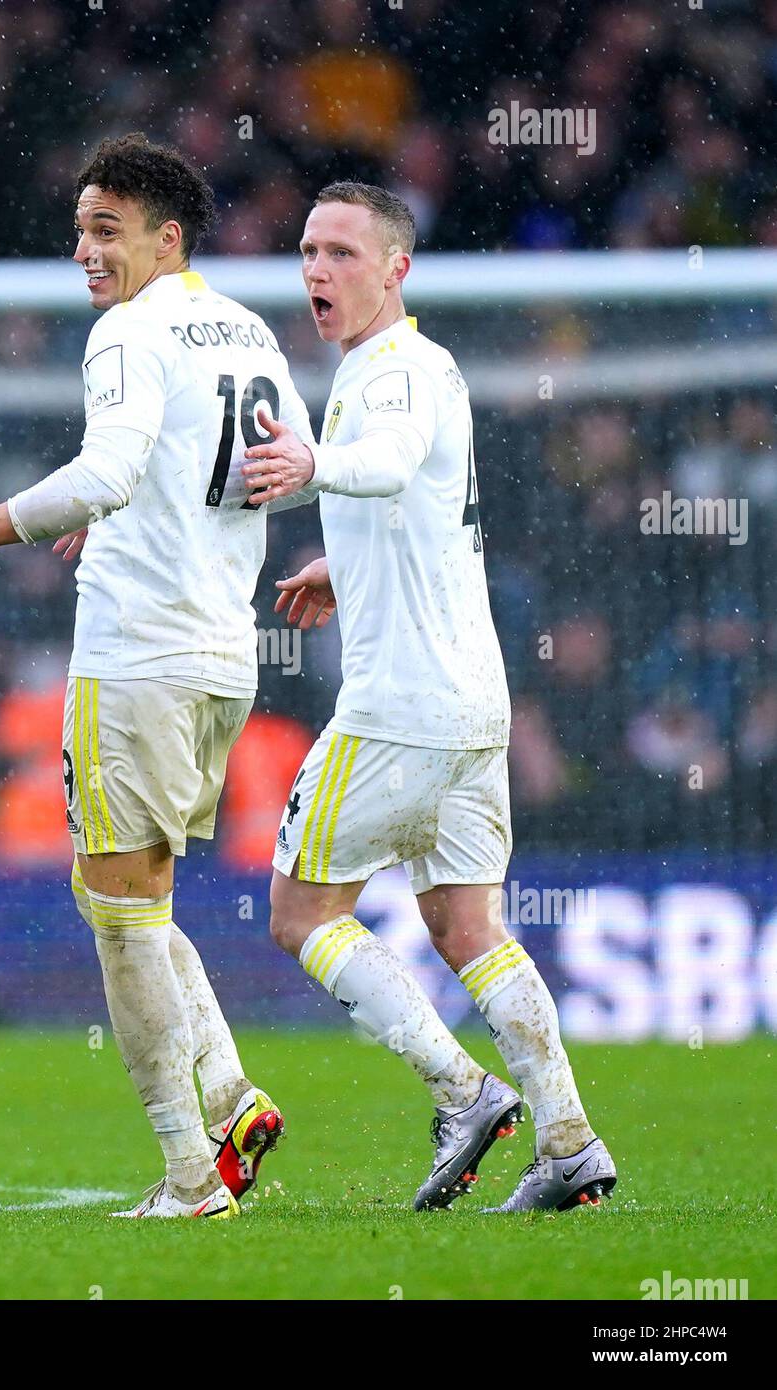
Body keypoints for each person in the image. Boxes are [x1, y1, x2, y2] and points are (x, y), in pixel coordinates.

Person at [0, 134, 317, 1219]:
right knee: (122, 895)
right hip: (222, 657)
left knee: (122, 918)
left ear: (164, 238)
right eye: (80, 227)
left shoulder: (126, 331)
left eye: (107, 230)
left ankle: (191, 1173)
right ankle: (228, 1092)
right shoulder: (249, 329)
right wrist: (138, 518)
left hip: (136, 653)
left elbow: (109, 467)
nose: (86, 251)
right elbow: (271, 471)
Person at [243, 182, 616, 1213]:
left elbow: (390, 459)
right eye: (307, 250)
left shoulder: (391, 370)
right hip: (473, 701)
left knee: (298, 910)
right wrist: (341, 564)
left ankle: (461, 1090)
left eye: (343, 254)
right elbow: (415, 500)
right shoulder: (413, 367)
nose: (317, 270)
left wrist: (315, 465)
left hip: (399, 705)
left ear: (396, 268)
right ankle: (571, 1141)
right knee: (465, 924)